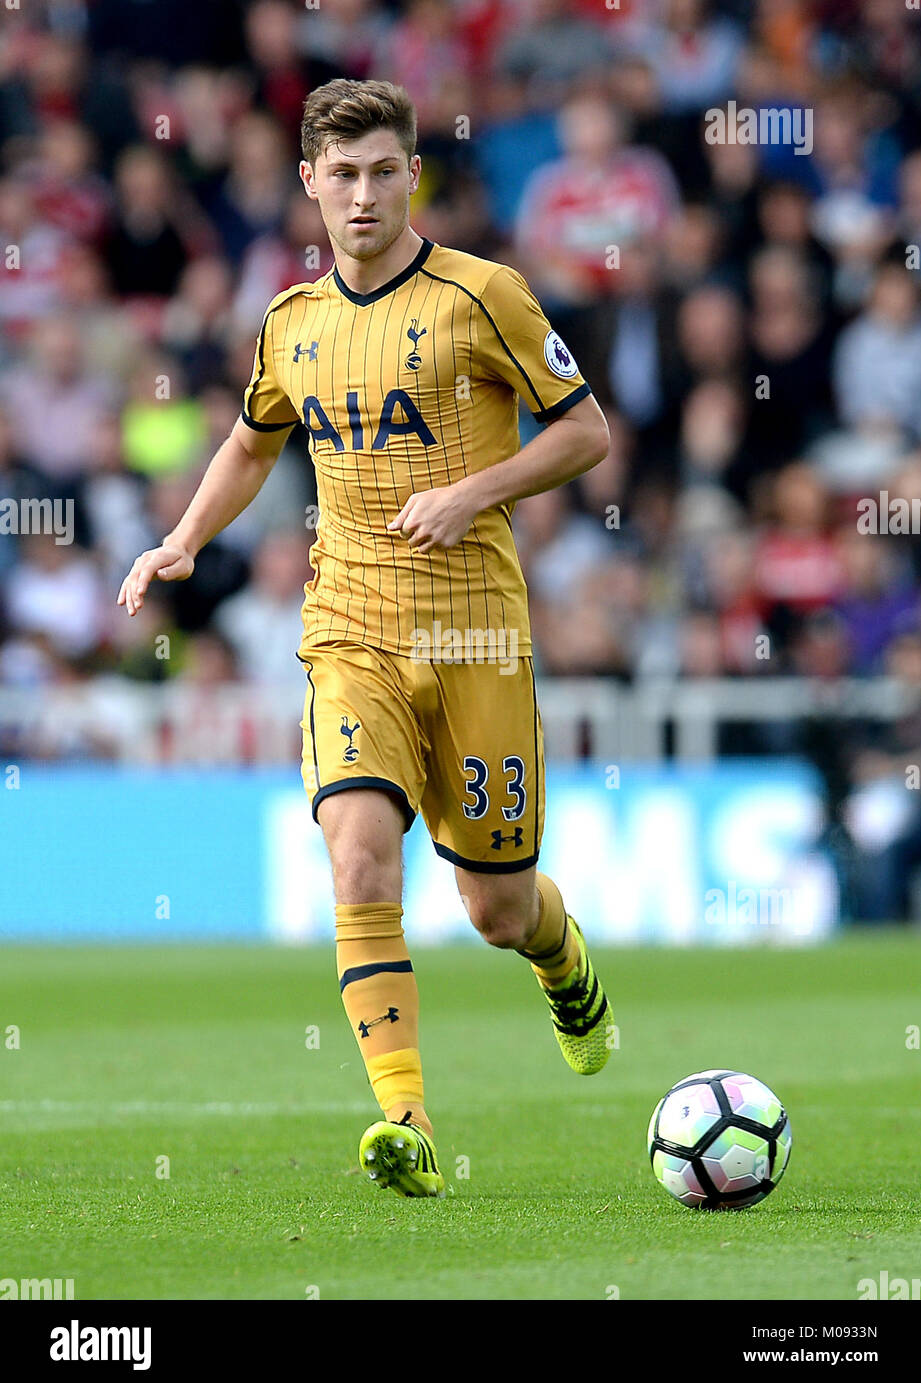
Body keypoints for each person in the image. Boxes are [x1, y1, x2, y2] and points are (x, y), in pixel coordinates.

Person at [117, 78, 613, 1199]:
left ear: (412, 178)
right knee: (355, 846)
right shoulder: (289, 324)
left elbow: (584, 432)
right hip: (350, 628)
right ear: (308, 185)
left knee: (493, 907)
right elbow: (251, 443)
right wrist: (184, 538)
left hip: (479, 635)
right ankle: (407, 1119)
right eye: (340, 175)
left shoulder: (484, 296)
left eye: (383, 171)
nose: (362, 195)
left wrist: (474, 490)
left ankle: (560, 957)